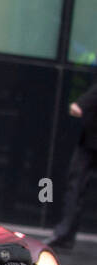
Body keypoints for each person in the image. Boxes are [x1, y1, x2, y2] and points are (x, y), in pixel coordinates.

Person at [48, 85, 97, 248]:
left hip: (90, 143)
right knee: (76, 186)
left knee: (75, 186)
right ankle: (66, 234)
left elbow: (77, 108)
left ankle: (65, 233)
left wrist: (81, 105)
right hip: (89, 140)